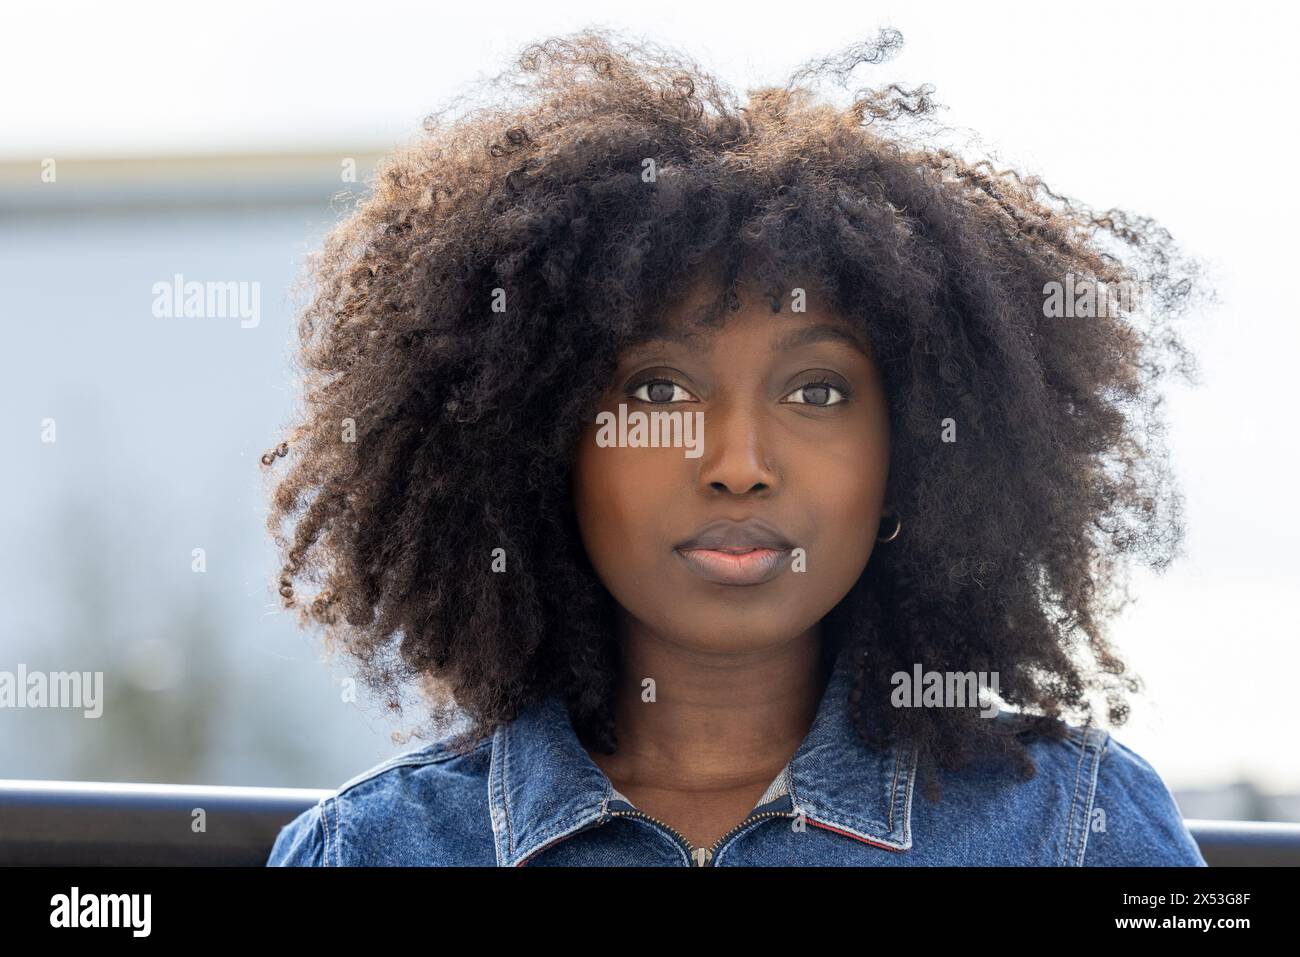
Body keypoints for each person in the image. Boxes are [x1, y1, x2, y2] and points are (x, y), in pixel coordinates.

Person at [263, 28, 1206, 866]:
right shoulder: (376, 847)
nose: (739, 462)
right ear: (542, 442)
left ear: (912, 457)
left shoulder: (1073, 828)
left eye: (818, 390)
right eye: (660, 389)